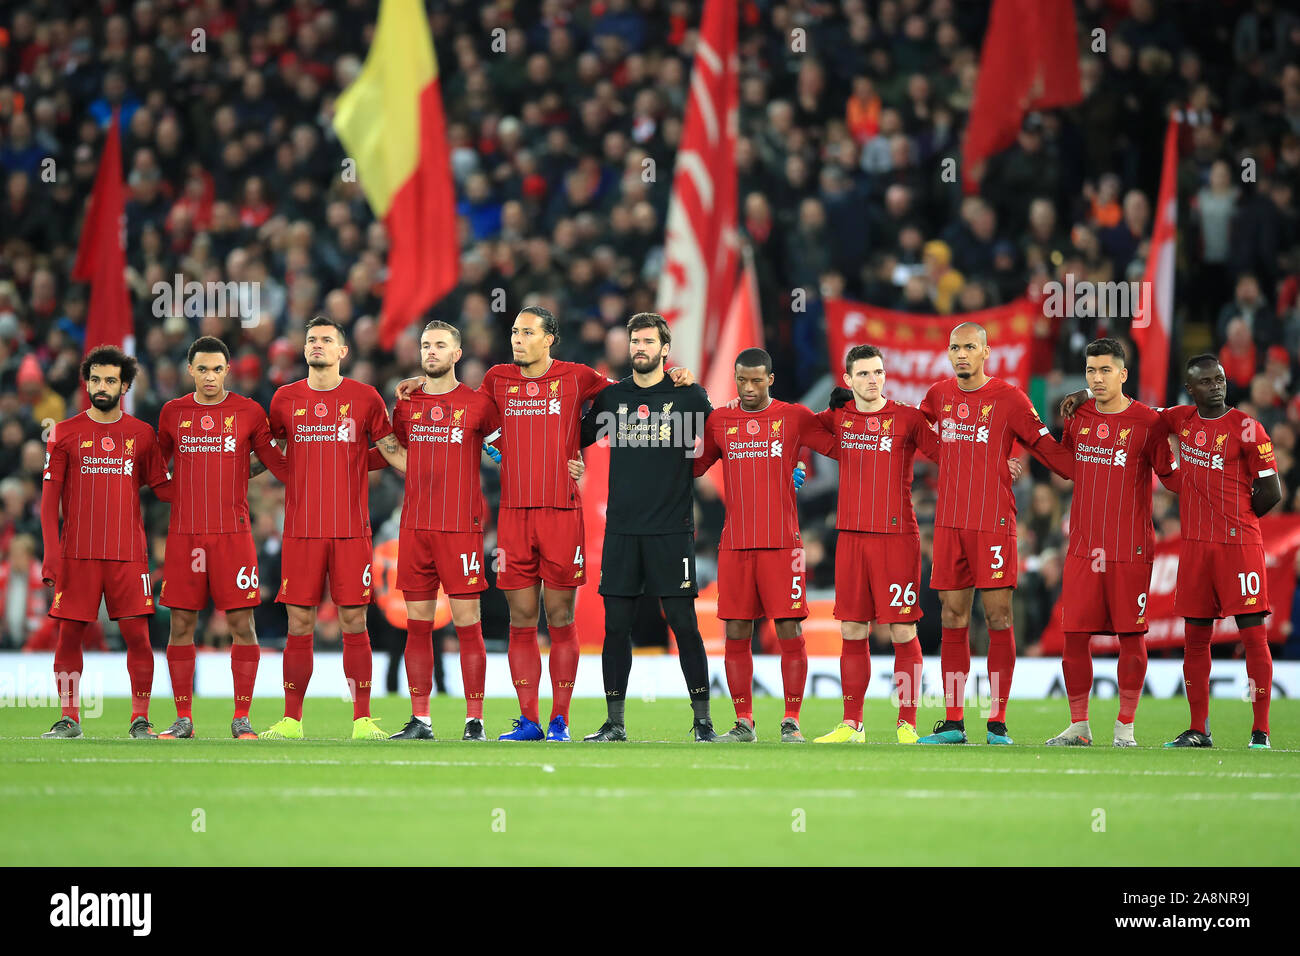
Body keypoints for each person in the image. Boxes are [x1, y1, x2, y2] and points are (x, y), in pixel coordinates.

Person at [395, 306, 693, 740]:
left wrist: (674, 378)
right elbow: (458, 403)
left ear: (549, 338)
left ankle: (561, 720)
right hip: (514, 516)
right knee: (521, 619)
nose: (517, 338)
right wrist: (419, 386)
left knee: (559, 618)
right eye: (514, 331)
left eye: (527, 332)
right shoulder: (497, 380)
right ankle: (529, 720)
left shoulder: (578, 377)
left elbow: (630, 394)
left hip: (561, 513)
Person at [1062, 354, 1282, 748]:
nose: (1215, 385)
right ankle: (1200, 729)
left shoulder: (1249, 429)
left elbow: (1272, 492)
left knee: (1253, 636)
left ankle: (1260, 732)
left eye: (1219, 379)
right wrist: (1087, 393)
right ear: (1190, 388)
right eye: (1206, 381)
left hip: (1239, 547)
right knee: (1195, 639)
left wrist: (1239, 517)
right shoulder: (1178, 419)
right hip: (1195, 549)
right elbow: (1135, 411)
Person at [916, 322, 1073, 745]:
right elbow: (914, 432)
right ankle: (952, 722)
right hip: (948, 524)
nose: (961, 354)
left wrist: (1085, 453)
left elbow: (1046, 448)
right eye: (954, 347)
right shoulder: (938, 395)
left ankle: (997, 721)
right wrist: (957, 456)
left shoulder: (1010, 399)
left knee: (999, 616)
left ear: (986, 352)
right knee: (952, 617)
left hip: (993, 525)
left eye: (970, 346)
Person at [259, 317, 406, 740]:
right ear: (303, 350)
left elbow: (390, 450)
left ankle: (362, 720)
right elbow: (271, 452)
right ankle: (291, 720)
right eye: (311, 340)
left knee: (354, 621)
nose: (317, 345)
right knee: (299, 623)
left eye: (326, 340)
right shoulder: (285, 399)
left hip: (350, 531)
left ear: (344, 351)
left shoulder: (365, 399)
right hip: (301, 531)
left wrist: (437, 471)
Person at [578, 313, 717, 743]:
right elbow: (571, 436)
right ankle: (615, 723)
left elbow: (725, 439)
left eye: (647, 341)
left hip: (671, 531)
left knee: (684, 623)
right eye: (634, 341)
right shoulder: (611, 398)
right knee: (615, 625)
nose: (639, 347)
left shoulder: (689, 395)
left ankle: (703, 722)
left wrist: (788, 465)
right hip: (621, 531)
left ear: (664, 349)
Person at [367, 321, 505, 741]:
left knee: (468, 626)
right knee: (417, 625)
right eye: (426, 345)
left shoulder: (480, 405)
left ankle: (474, 720)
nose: (431, 351)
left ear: (456, 354)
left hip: (461, 528)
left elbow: (505, 453)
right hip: (414, 527)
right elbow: (397, 453)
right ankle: (420, 719)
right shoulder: (405, 405)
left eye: (440, 345)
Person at [693, 347, 835, 743]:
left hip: (781, 545)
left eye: (757, 380)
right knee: (737, 631)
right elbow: (694, 465)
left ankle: (791, 721)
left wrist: (806, 464)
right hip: (736, 544)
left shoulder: (794, 417)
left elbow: (839, 446)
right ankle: (744, 723)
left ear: (770, 379)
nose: (749, 387)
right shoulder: (720, 420)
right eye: (742, 380)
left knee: (789, 629)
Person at [154, 335, 290, 740]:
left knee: (241, 623)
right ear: (190, 370)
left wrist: (319, 457)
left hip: (233, 536)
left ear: (227, 370)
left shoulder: (248, 412)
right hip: (186, 536)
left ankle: (241, 718)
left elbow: (275, 463)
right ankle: (183, 719)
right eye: (202, 369)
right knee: (181, 623)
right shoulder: (172, 412)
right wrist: (185, 495)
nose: (210, 376)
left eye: (217, 369)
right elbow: (155, 471)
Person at [1045, 338, 1179, 748]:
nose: (1097, 378)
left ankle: (1125, 728)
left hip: (1130, 549)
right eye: (1090, 371)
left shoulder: (1148, 422)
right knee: (1074, 635)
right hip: (1084, 546)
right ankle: (1079, 726)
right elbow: (1067, 466)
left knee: (1131, 635)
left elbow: (1171, 478)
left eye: (1105, 370)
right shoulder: (1078, 414)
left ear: (1123, 374)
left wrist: (1209, 471)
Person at [39, 345, 172, 739]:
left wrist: (214, 477)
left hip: (127, 553)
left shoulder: (141, 435)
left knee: (137, 636)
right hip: (78, 553)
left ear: (124, 385)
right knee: (69, 636)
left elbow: (164, 489)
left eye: (110, 380)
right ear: (86, 382)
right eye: (95, 379)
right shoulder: (64, 433)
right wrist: (52, 554)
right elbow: (49, 505)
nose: (101, 386)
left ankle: (140, 718)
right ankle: (70, 717)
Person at [814, 345, 942, 744]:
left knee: (902, 630)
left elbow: (949, 456)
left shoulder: (907, 418)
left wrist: (997, 464)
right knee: (852, 629)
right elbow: (791, 427)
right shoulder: (837, 419)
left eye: (878, 372)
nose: (873, 380)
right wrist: (798, 465)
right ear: (848, 380)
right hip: (851, 538)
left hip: (896, 539)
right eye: (864, 374)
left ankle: (907, 723)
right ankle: (852, 724)